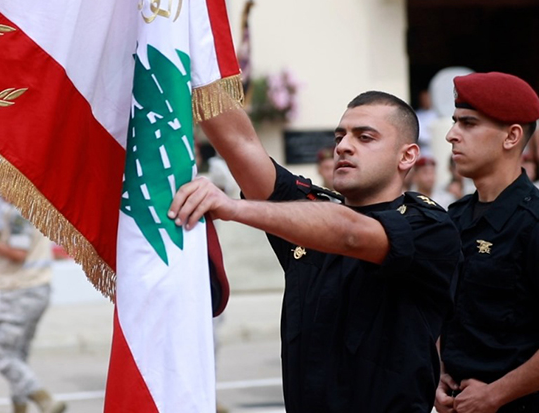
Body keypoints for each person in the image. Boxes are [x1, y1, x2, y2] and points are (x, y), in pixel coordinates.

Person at [170, 91, 462, 412]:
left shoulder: (430, 227)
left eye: (365, 137)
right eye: (340, 136)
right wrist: (199, 71)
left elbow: (350, 233)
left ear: (406, 156)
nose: (343, 146)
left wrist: (234, 208)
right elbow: (241, 144)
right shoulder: (311, 212)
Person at [436, 72, 539, 413]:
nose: (452, 135)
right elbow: (442, 309)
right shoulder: (456, 218)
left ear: (511, 136)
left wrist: (495, 395)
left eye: (468, 124)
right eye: (455, 122)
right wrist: (436, 371)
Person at [0, 206, 66, 413]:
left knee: (3, 355)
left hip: (21, 291)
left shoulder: (19, 212)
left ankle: (45, 399)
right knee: (17, 356)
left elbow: (19, 253)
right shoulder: (32, 206)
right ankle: (20, 407)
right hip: (36, 289)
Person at [416, 88, 439, 157]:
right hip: (423, 150)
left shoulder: (437, 114)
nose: (425, 101)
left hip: (436, 148)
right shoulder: (417, 114)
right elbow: (420, 135)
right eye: (423, 98)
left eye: (427, 98)